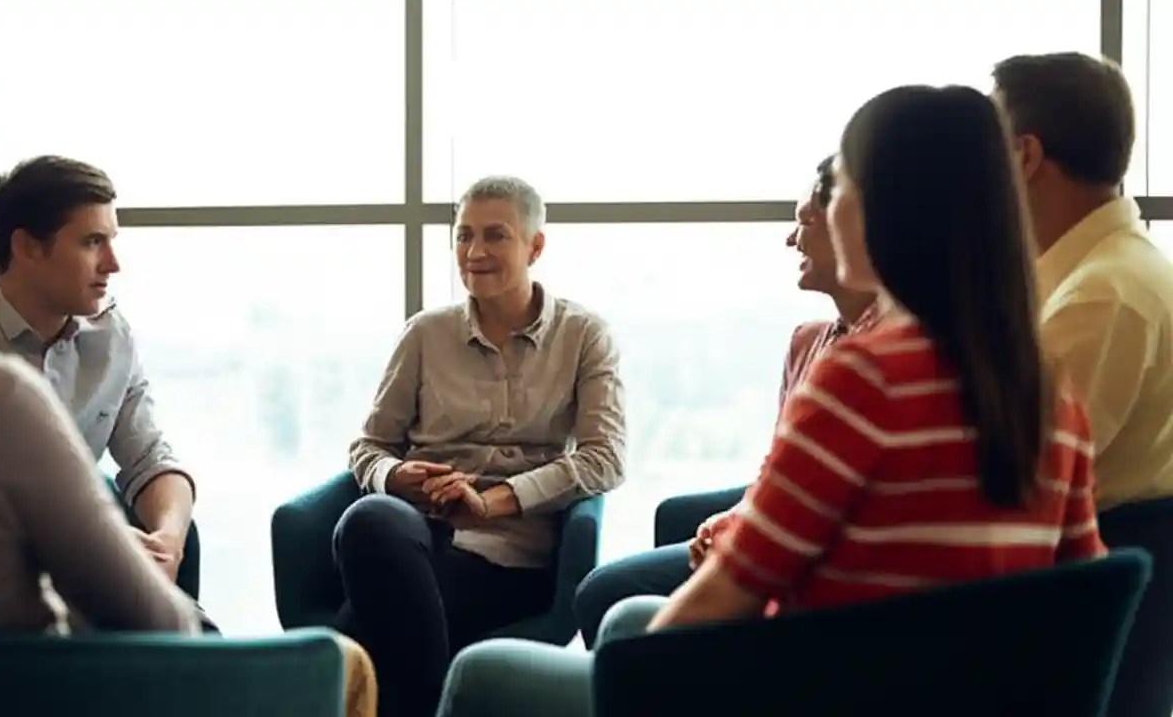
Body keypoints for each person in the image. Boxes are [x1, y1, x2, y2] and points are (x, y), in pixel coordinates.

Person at [436, 85, 1104, 717]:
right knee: (631, 620)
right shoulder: (1050, 396)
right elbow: (1086, 604)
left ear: (883, 209)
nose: (820, 209)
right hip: (950, 696)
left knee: (480, 671)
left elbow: (729, 590)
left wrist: (631, 689)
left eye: (837, 184)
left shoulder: (863, 381)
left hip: (809, 692)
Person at [0, 97, 198, 635]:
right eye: (91, 242)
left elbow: (149, 453)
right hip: (30, 639)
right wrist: (104, 543)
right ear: (27, 248)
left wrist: (167, 540)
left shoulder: (112, 338)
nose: (114, 264)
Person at [339, 175, 626, 717]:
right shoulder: (425, 333)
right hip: (417, 531)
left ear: (535, 246)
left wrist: (492, 501)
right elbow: (369, 447)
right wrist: (398, 477)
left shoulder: (584, 335)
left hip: (511, 551)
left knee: (361, 630)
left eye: (495, 236)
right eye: (464, 235)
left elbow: (604, 457)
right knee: (366, 520)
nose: (475, 252)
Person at [573, 155, 879, 648]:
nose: (791, 238)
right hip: (773, 533)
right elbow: (781, 467)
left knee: (605, 593)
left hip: (800, 565)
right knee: (652, 549)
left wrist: (735, 528)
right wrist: (734, 515)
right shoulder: (808, 342)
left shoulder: (874, 366)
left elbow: (818, 503)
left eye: (804, 221)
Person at [993, 51, 1173, 717]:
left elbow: (1025, 482)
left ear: (1025, 155)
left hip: (1067, 605)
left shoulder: (1103, 296)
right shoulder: (1100, 274)